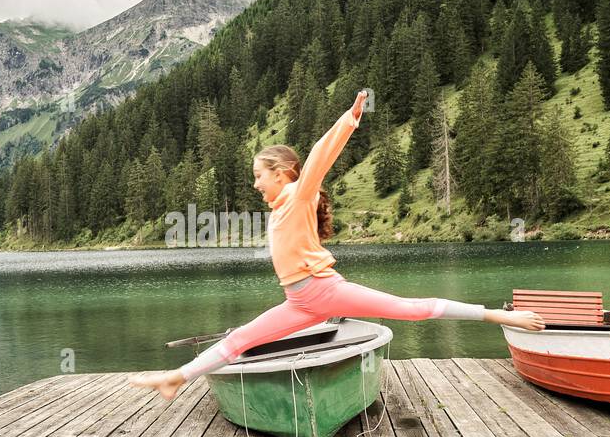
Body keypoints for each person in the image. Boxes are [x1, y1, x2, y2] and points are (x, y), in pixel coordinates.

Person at [128, 90, 544, 400]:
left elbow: (318, 157)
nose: (255, 183)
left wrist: (349, 118)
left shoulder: (298, 192)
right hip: (299, 303)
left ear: (282, 172)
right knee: (240, 341)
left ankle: (498, 317)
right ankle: (176, 379)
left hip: (324, 290)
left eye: (259, 175)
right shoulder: (279, 207)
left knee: (411, 310)